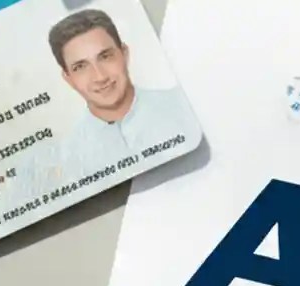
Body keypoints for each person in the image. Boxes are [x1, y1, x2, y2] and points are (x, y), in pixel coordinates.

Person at [16, 9, 195, 197]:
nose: (100, 76)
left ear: (124, 54)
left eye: (105, 56)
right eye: (81, 67)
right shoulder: (69, 158)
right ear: (68, 78)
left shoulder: (183, 105)